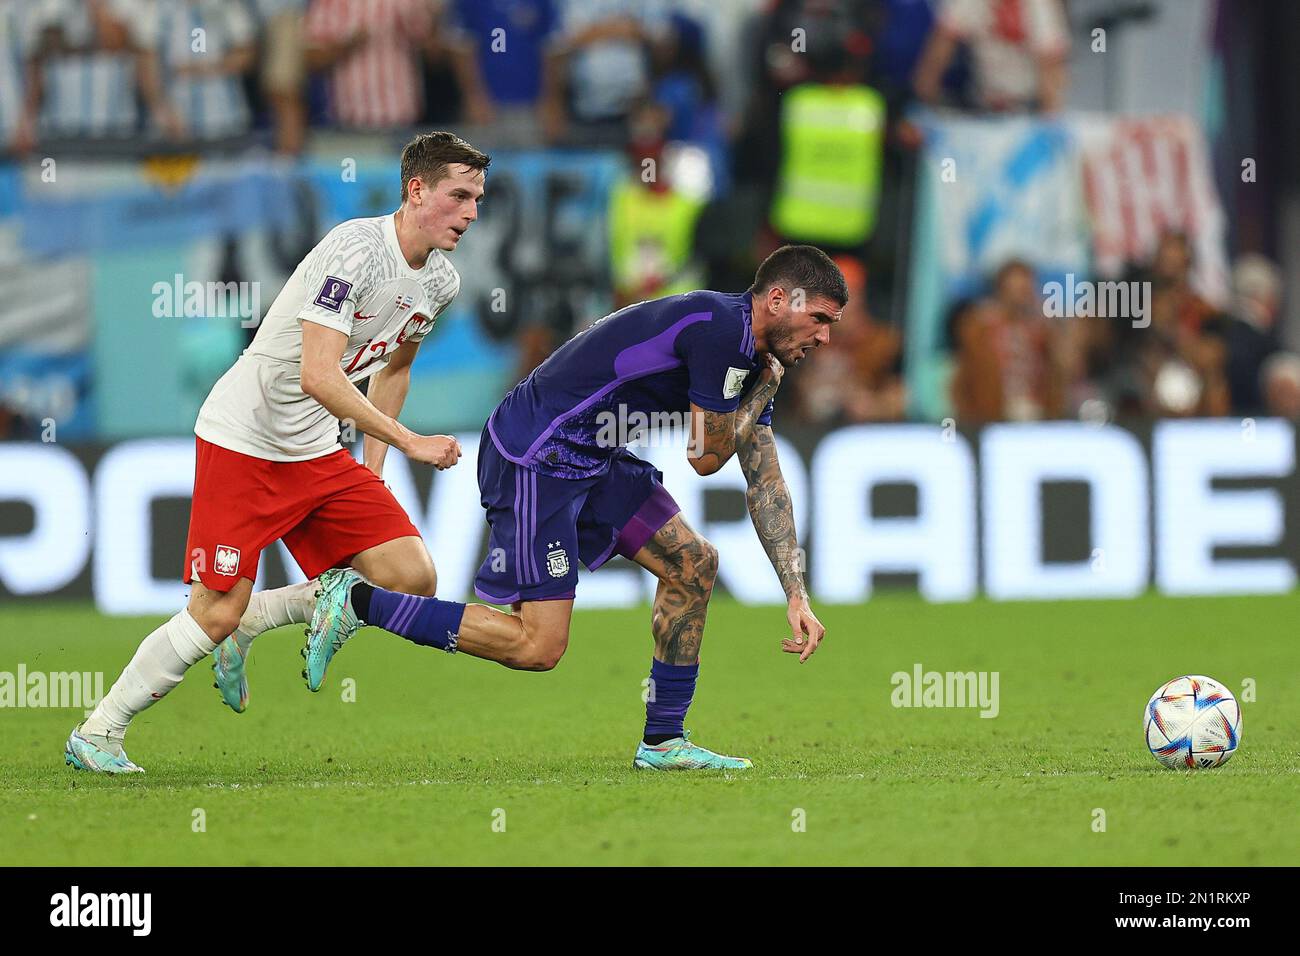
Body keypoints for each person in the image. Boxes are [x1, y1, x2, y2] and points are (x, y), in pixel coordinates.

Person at [300, 245, 843, 771]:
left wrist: (794, 591)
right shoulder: (724, 333)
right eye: (819, 319)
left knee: (692, 563)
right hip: (537, 452)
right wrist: (763, 393)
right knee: (538, 646)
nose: (824, 337)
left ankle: (664, 741)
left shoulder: (753, 361)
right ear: (777, 299)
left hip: (593, 452)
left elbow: (765, 478)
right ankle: (359, 601)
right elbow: (705, 456)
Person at [65, 132, 489, 774]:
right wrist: (410, 443)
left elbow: (394, 370)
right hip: (246, 439)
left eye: (478, 198)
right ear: (416, 190)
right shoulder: (356, 250)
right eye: (460, 196)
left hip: (317, 450)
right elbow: (320, 373)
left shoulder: (440, 282)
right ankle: (99, 732)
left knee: (410, 578)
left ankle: (259, 620)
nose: (471, 212)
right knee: (214, 609)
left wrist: (373, 472)